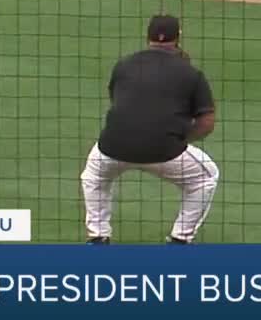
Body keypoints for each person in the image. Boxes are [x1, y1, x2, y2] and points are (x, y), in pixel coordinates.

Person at [80, 14, 220, 245]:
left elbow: (117, 100)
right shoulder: (191, 73)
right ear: (178, 37)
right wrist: (182, 138)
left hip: (112, 146)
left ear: (148, 37)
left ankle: (98, 236)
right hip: (164, 150)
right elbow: (206, 122)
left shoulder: (124, 65)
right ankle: (180, 239)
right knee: (207, 177)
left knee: (94, 176)